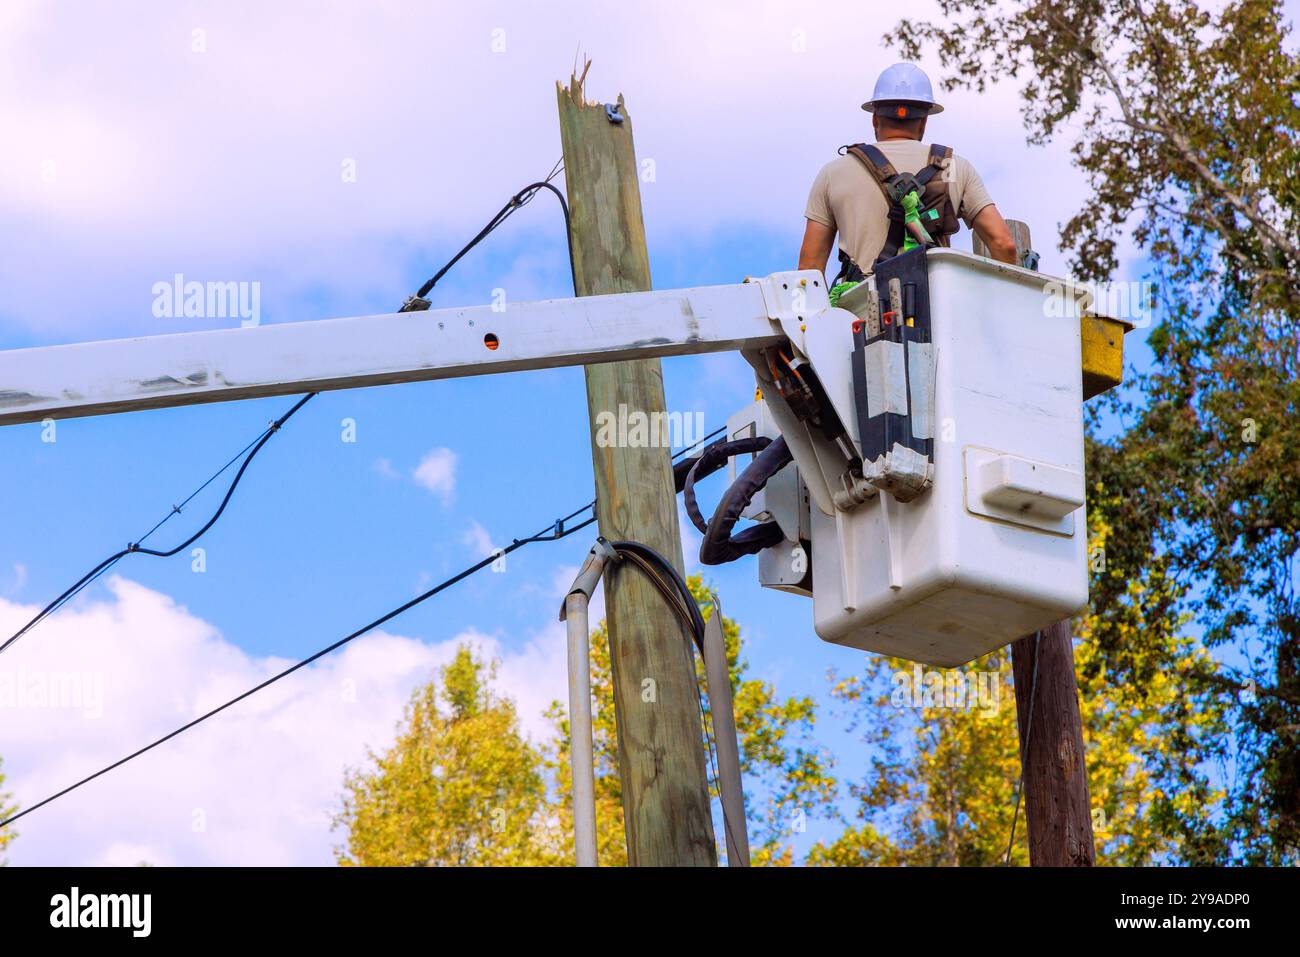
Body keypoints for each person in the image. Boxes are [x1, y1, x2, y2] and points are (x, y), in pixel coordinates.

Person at [798, 62, 1019, 286]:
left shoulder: (834, 172)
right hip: (936, 310)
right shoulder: (955, 168)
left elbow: (808, 270)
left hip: (860, 312)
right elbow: (1004, 245)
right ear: (923, 122)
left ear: (875, 118)